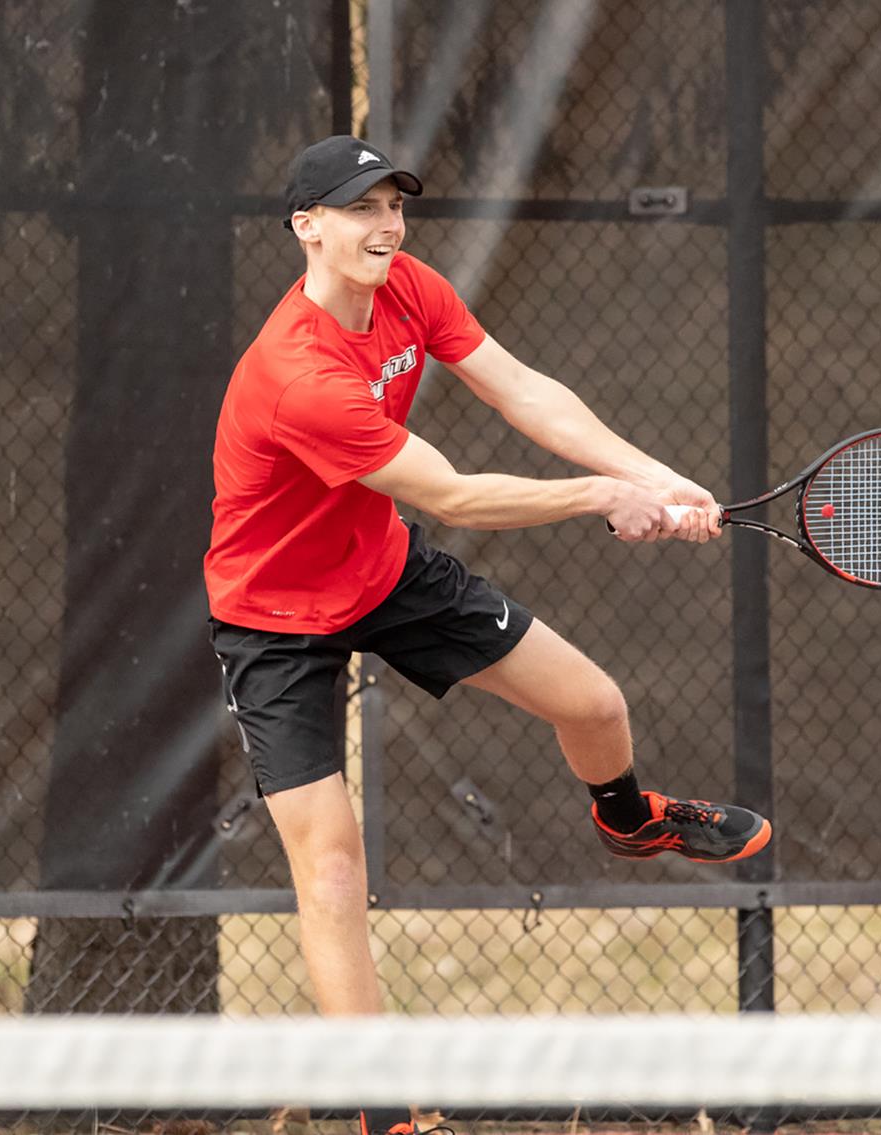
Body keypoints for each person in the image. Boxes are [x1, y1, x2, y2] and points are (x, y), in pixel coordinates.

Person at [203, 136, 772, 1135]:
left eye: (394, 205)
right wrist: (599, 496)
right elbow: (454, 495)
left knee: (594, 703)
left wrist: (649, 477)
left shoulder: (409, 287)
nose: (386, 225)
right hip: (273, 615)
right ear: (307, 226)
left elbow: (523, 390)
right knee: (330, 866)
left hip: (381, 572)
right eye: (360, 208)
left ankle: (628, 817)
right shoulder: (297, 373)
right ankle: (387, 1114)